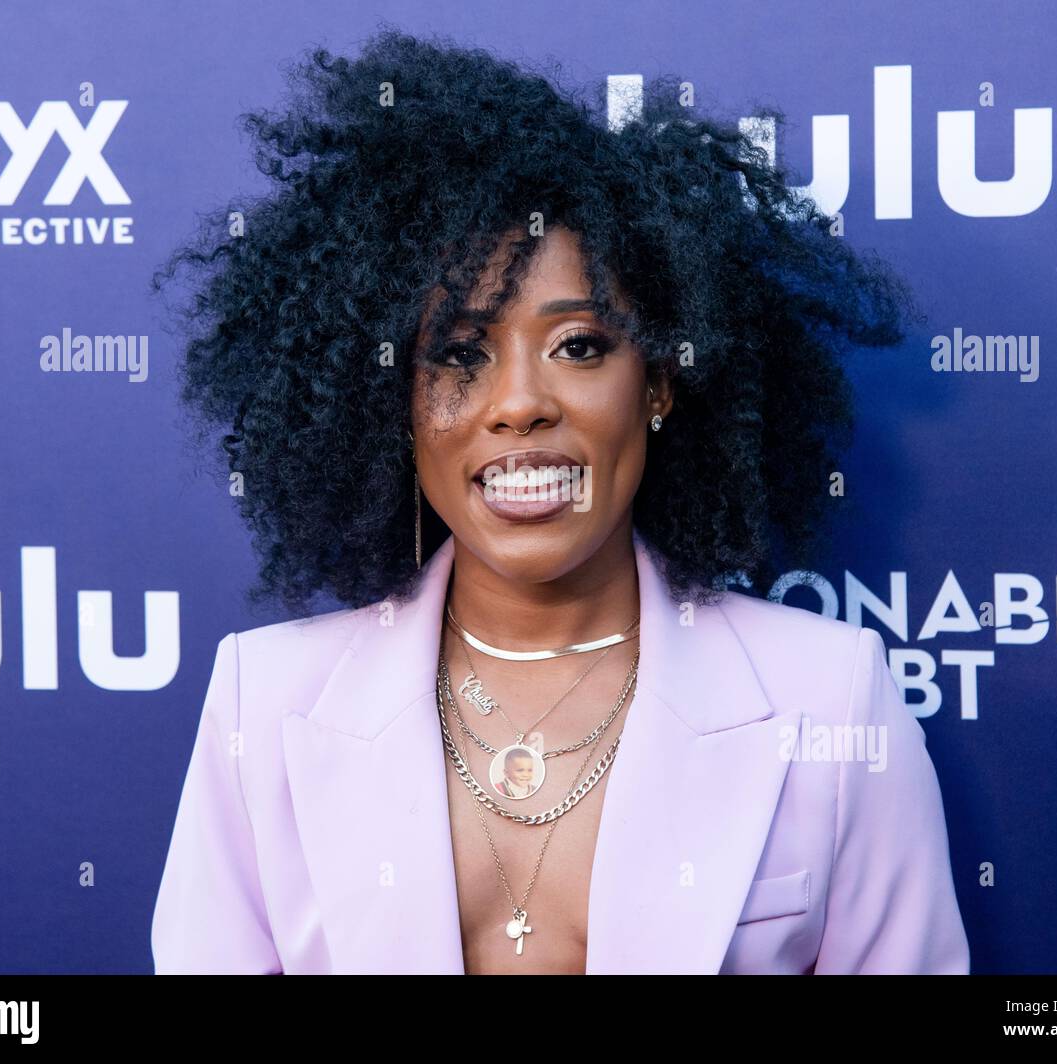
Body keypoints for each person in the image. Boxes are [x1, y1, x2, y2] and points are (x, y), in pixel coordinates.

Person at [150, 27, 969, 975]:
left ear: (659, 383)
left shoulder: (831, 696)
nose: (521, 403)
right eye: (459, 354)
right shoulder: (265, 703)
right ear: (391, 403)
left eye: (579, 345)